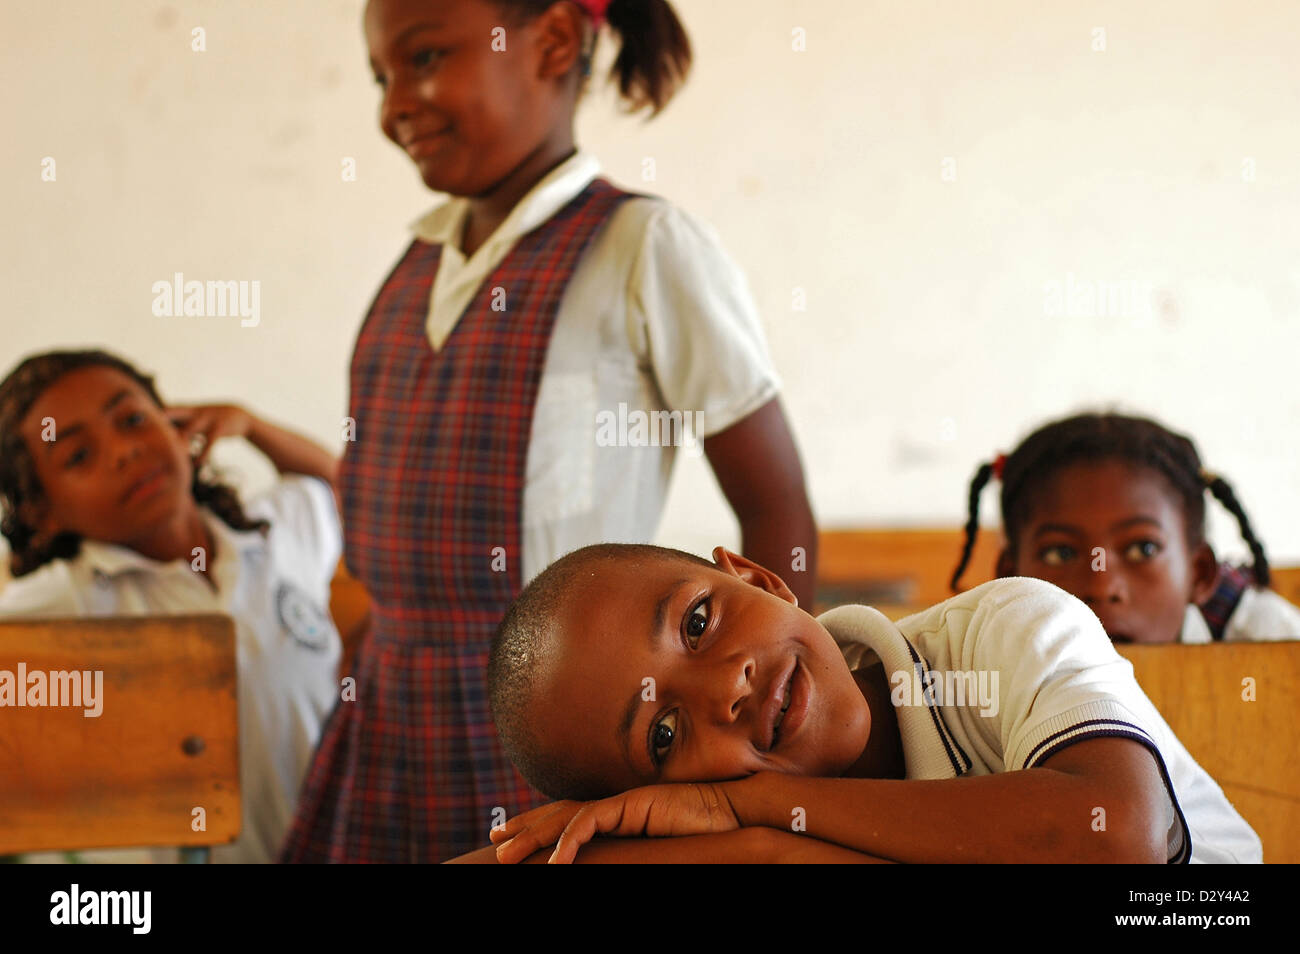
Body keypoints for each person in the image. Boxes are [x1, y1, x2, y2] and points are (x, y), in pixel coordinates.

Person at [283, 0, 817, 862]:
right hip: (384, 722)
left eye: (423, 59)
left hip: (554, 743)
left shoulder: (644, 248)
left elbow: (776, 503)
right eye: (382, 77)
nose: (392, 107)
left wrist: (768, 771)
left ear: (556, 41)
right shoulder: (414, 268)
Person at [465, 542, 1261, 864]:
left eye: (698, 622)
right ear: (655, 799)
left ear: (762, 579)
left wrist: (766, 811)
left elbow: (1121, 837)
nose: (728, 688)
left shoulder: (1004, 630)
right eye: (664, 734)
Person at [0, 349, 343, 863]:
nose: (123, 451)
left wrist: (251, 426)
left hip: (341, 846)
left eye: (133, 419)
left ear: (177, 423)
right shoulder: (61, 605)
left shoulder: (270, 532)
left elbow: (340, 487)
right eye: (77, 456)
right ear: (42, 512)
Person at [950, 412, 1300, 644]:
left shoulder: (1274, 644)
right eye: (1061, 553)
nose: (1102, 587)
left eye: (1142, 549)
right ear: (1010, 578)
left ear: (1199, 574)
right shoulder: (976, 674)